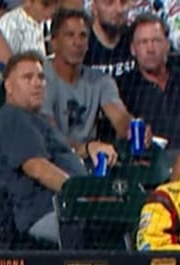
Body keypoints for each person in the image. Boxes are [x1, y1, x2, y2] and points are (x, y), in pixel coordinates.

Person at [0, 51, 86, 249]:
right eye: (27, 77)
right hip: (46, 211)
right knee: (107, 227)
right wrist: (80, 195)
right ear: (8, 86)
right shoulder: (13, 117)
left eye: (41, 77)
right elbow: (38, 168)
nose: (37, 83)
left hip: (66, 208)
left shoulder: (36, 120)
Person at [43, 9, 134, 166]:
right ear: (54, 42)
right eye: (70, 35)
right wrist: (85, 148)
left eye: (83, 36)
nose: (77, 42)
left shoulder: (100, 81)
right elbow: (48, 135)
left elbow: (119, 116)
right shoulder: (39, 78)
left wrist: (134, 128)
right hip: (51, 160)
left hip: (90, 162)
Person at [117, 14, 180, 150]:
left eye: (156, 41)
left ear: (167, 45)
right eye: (143, 42)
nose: (150, 49)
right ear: (133, 49)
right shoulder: (123, 88)